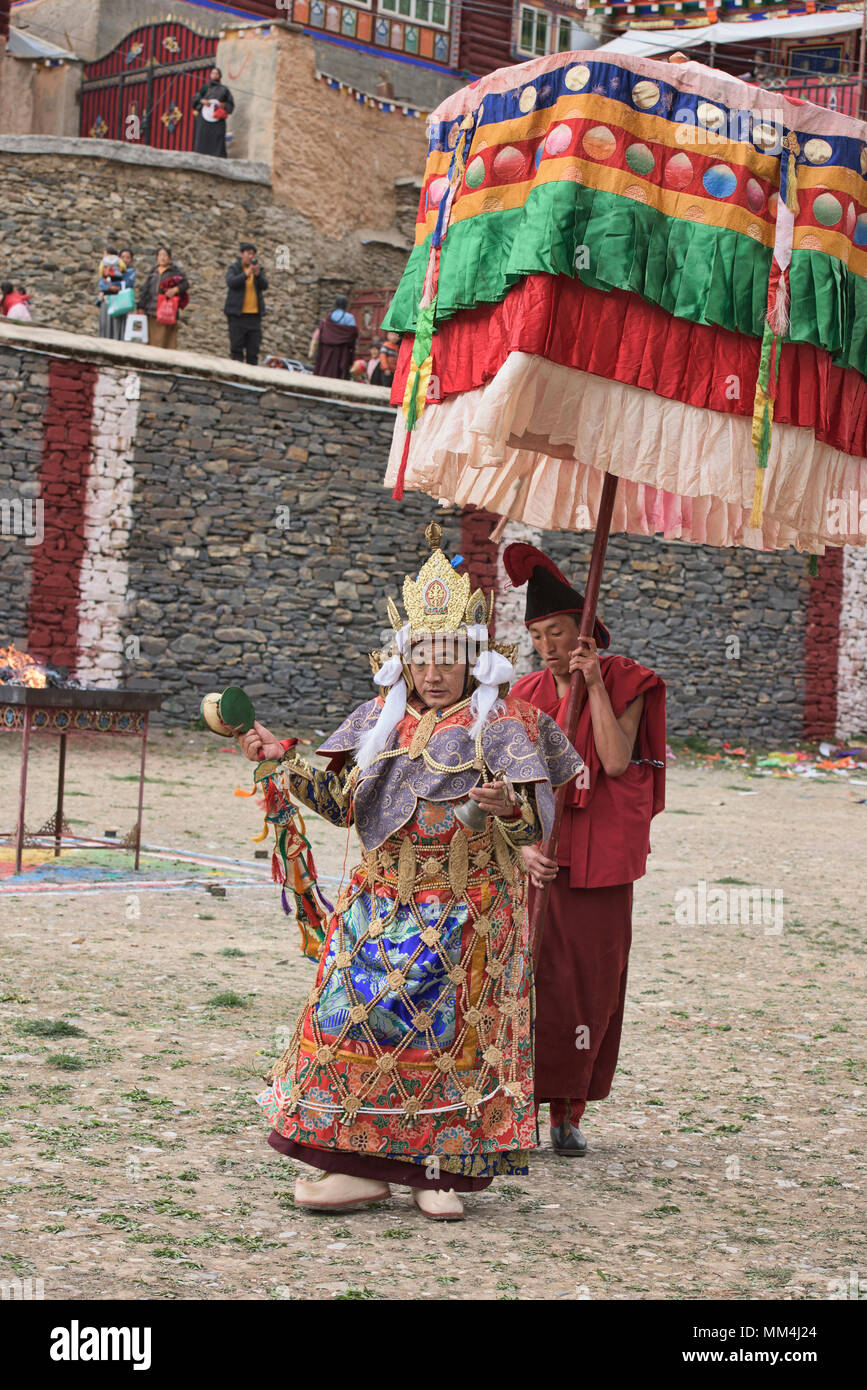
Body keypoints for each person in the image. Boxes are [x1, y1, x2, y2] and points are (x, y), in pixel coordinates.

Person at [235, 523, 583, 1219]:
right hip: (380, 902)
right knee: (350, 1023)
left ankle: (440, 1172)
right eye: (421, 657)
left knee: (448, 1038)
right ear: (402, 659)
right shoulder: (375, 720)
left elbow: (536, 825)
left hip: (469, 908)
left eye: (447, 658)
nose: (432, 672)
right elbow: (339, 802)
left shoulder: (508, 723)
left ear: (473, 660)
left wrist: (504, 805)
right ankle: (351, 1165)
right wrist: (280, 757)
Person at [506, 544, 666, 1157]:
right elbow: (508, 779)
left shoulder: (626, 679)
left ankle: (568, 1111)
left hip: (599, 859)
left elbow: (618, 758)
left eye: (558, 633)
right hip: (540, 854)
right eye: (538, 635)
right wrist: (521, 845)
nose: (547, 646)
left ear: (584, 631)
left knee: (590, 981)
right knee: (530, 977)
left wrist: (593, 683)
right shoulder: (524, 692)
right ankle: (518, 1102)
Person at [137, 246, 189, 351]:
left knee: (166, 341)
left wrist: (175, 290)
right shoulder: (153, 272)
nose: (162, 258)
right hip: (152, 311)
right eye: (160, 255)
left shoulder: (174, 272)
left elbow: (185, 284)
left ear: (169, 258)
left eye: (165, 255)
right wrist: (141, 306)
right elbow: (145, 290)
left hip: (167, 311)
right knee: (153, 341)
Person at [224, 242, 268, 365]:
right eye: (248, 254)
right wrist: (246, 274)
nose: (251, 257)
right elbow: (231, 282)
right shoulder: (234, 268)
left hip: (254, 317)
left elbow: (265, 286)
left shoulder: (258, 269)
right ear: (242, 254)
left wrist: (258, 275)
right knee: (236, 350)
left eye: (253, 254)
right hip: (237, 316)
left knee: (253, 351)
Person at [312, 295, 358, 380]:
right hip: (342, 351)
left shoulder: (328, 317)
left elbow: (321, 332)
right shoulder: (349, 318)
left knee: (325, 370)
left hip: (326, 349)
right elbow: (353, 334)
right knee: (338, 375)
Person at [192, 66, 234, 158]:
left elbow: (230, 104)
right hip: (204, 118)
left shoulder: (224, 90)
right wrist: (202, 101)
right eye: (213, 73)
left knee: (218, 138)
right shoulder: (205, 88)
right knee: (202, 138)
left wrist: (223, 105)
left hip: (217, 118)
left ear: (220, 76)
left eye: (217, 73)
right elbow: (195, 99)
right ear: (210, 75)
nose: (214, 75)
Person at [96, 247, 127, 340]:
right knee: (105, 323)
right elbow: (102, 283)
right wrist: (109, 287)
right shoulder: (105, 267)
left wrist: (118, 288)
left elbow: (127, 283)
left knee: (117, 324)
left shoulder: (127, 271)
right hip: (106, 299)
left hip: (119, 300)